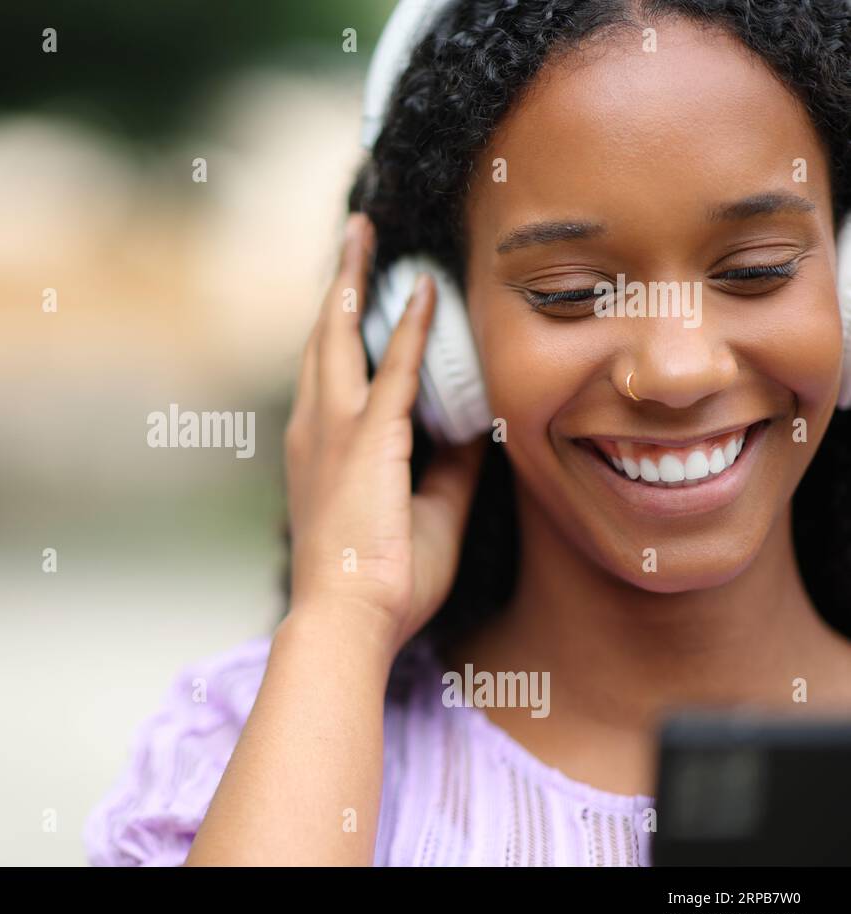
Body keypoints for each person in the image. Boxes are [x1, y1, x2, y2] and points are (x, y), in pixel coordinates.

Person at [86, 0, 851, 866]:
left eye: (756, 272)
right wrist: (343, 616)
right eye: (569, 290)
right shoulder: (248, 751)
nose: (677, 370)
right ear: (445, 340)